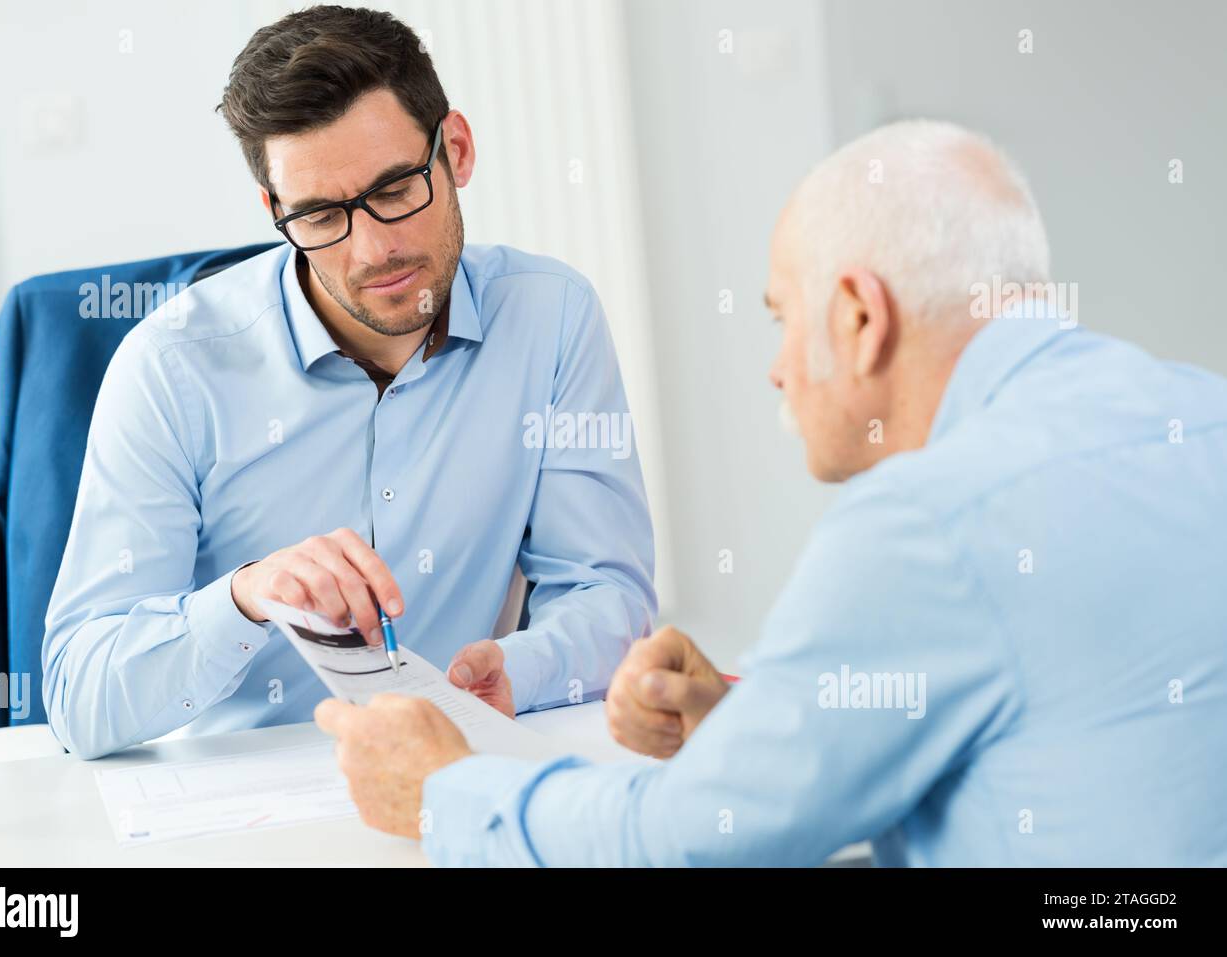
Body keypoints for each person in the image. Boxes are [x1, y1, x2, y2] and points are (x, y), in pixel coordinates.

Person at [317, 119, 1227, 866]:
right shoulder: (1201, 414)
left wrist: (441, 793)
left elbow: (683, 842)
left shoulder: (928, 522)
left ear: (861, 319)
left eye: (785, 320)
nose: (779, 371)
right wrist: (769, 723)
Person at [43, 5, 655, 760]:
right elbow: (80, 696)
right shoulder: (170, 369)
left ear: (456, 150)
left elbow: (608, 594)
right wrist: (245, 597)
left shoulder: (552, 317)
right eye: (323, 215)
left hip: (460, 771)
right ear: (276, 212)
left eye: (396, 188)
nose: (374, 249)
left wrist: (517, 670)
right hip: (239, 809)